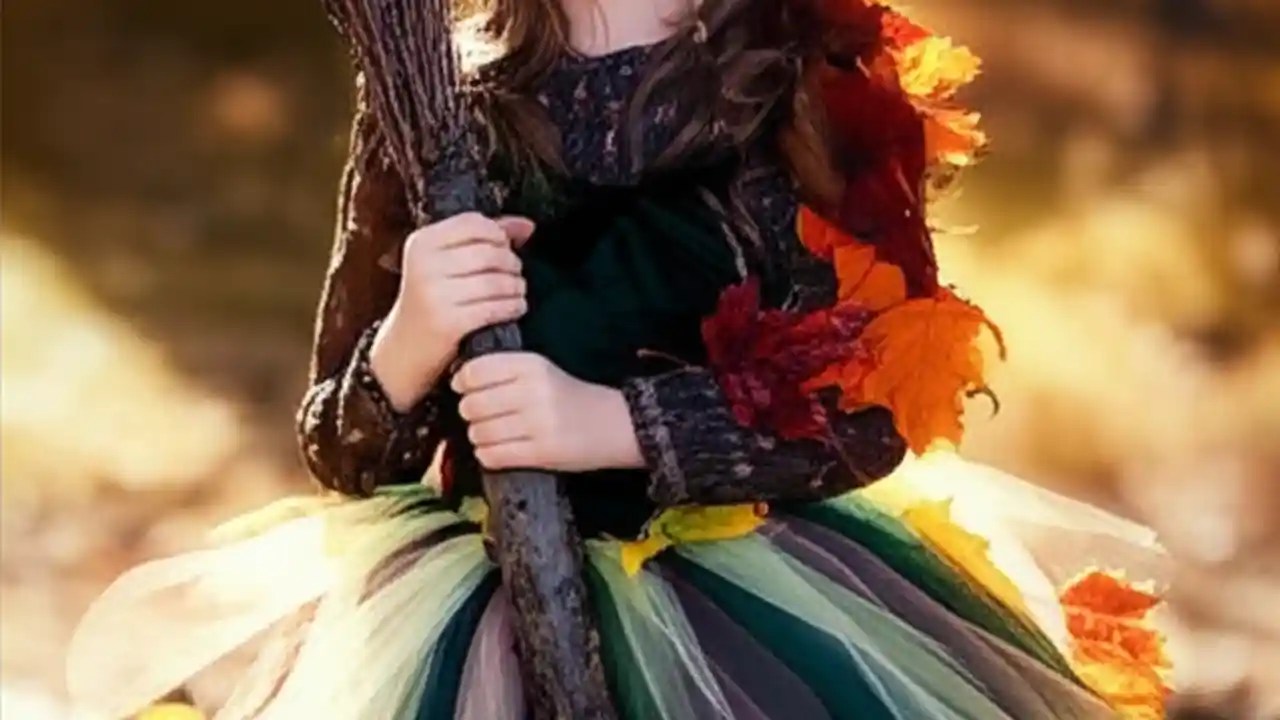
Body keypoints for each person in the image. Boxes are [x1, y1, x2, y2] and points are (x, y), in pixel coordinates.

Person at [67, 0, 1173, 718]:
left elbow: (876, 410)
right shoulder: (440, 91)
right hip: (475, 598)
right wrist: (410, 338)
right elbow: (342, 449)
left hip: (752, 603)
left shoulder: (814, 66)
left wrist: (616, 426)